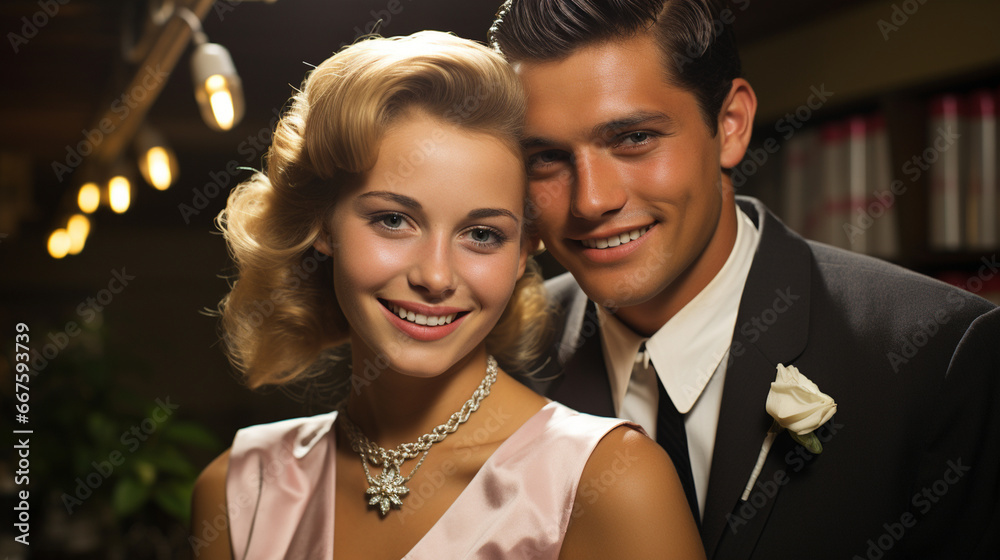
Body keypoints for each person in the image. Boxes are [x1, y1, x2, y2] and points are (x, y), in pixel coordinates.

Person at [489, 1, 1000, 559]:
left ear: (730, 126)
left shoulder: (945, 355)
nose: (591, 200)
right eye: (545, 157)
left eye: (633, 138)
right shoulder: (497, 353)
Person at [189, 31, 705, 560]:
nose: (436, 277)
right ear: (322, 224)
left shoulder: (610, 483)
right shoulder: (236, 490)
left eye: (482, 235)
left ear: (525, 249)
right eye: (393, 220)